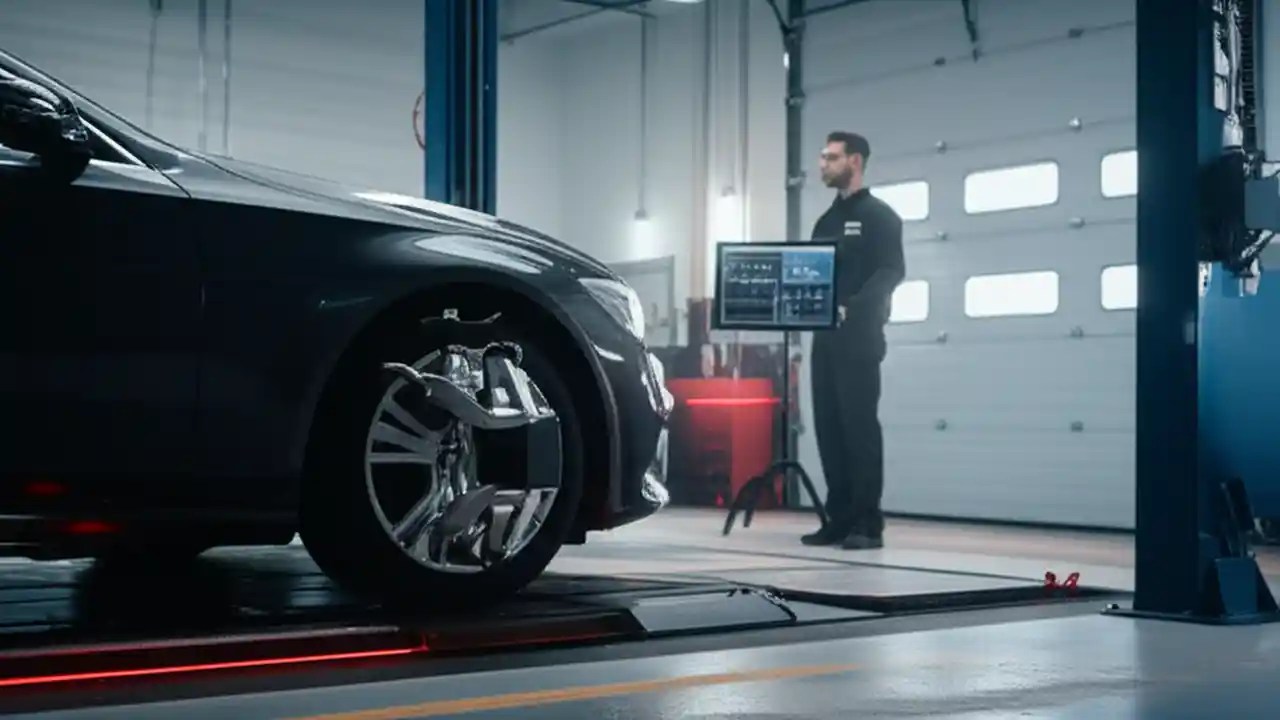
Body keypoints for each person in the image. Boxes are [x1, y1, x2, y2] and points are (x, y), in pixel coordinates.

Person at [801, 131, 905, 550]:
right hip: (824, 339)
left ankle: (868, 522)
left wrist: (855, 307)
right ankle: (839, 518)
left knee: (858, 427)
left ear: (855, 161)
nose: (823, 164)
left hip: (859, 338)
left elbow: (891, 271)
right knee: (828, 427)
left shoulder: (881, 216)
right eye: (823, 157)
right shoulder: (825, 222)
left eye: (831, 157)